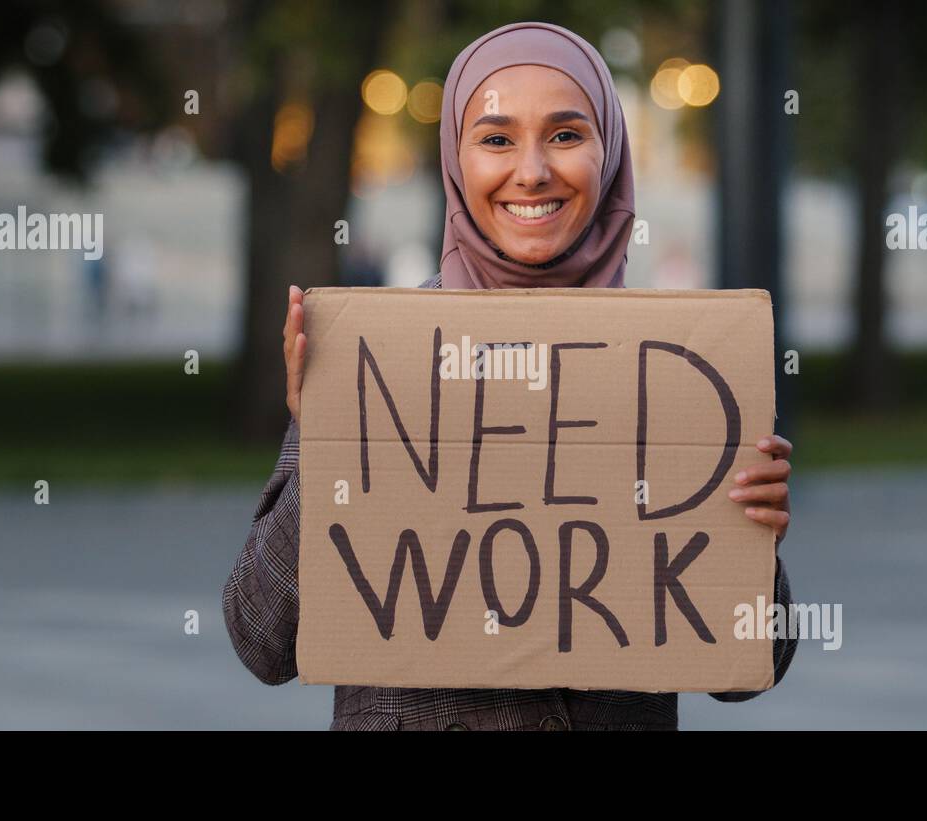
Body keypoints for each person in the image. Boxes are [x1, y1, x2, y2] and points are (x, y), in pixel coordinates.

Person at [223, 21, 798, 730]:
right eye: (496, 138)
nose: (531, 171)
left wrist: (750, 536)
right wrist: (330, 437)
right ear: (456, 160)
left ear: (610, 153)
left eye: (565, 135)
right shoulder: (379, 353)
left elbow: (748, 669)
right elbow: (260, 639)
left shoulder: (673, 367)